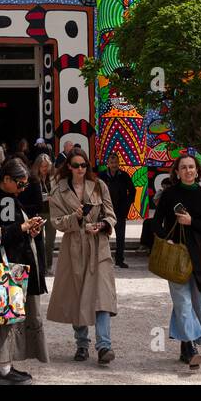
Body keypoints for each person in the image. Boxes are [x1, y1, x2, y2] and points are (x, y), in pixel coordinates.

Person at [0, 158, 49, 384]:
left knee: (9, 319)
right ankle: (4, 371)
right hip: (5, 271)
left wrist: (30, 230)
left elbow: (11, 231)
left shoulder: (9, 198)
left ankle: (4, 367)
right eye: (20, 183)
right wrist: (22, 227)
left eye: (25, 184)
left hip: (16, 269)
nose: (23, 188)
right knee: (4, 320)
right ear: (6, 179)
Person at [151, 154, 201, 368]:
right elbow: (155, 222)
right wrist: (166, 239)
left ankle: (185, 345)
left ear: (197, 170)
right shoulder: (169, 194)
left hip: (199, 256)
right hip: (176, 256)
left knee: (195, 302)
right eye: (183, 167)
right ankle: (192, 346)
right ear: (177, 172)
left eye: (191, 167)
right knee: (182, 302)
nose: (188, 171)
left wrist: (193, 221)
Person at [48, 152, 119, 363]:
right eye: (77, 165)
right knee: (76, 294)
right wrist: (75, 218)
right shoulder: (58, 191)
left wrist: (103, 225)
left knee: (102, 296)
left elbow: (111, 214)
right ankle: (81, 344)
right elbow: (56, 221)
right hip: (74, 247)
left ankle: (104, 346)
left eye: (84, 165)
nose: (81, 169)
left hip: (98, 246)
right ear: (69, 167)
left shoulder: (99, 186)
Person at [102, 161, 135, 268]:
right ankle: (103, 260)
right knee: (104, 236)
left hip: (120, 211)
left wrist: (127, 204)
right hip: (105, 210)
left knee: (120, 237)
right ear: (108, 163)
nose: (114, 165)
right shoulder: (102, 175)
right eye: (112, 162)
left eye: (116, 162)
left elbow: (132, 191)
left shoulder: (124, 175)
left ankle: (119, 260)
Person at [30, 154, 57, 275]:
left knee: (50, 242)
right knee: (38, 241)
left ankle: (48, 265)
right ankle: (40, 266)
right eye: (42, 166)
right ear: (38, 166)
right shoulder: (33, 179)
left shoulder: (53, 178)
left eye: (46, 166)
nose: (44, 168)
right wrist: (45, 197)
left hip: (51, 212)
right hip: (38, 213)